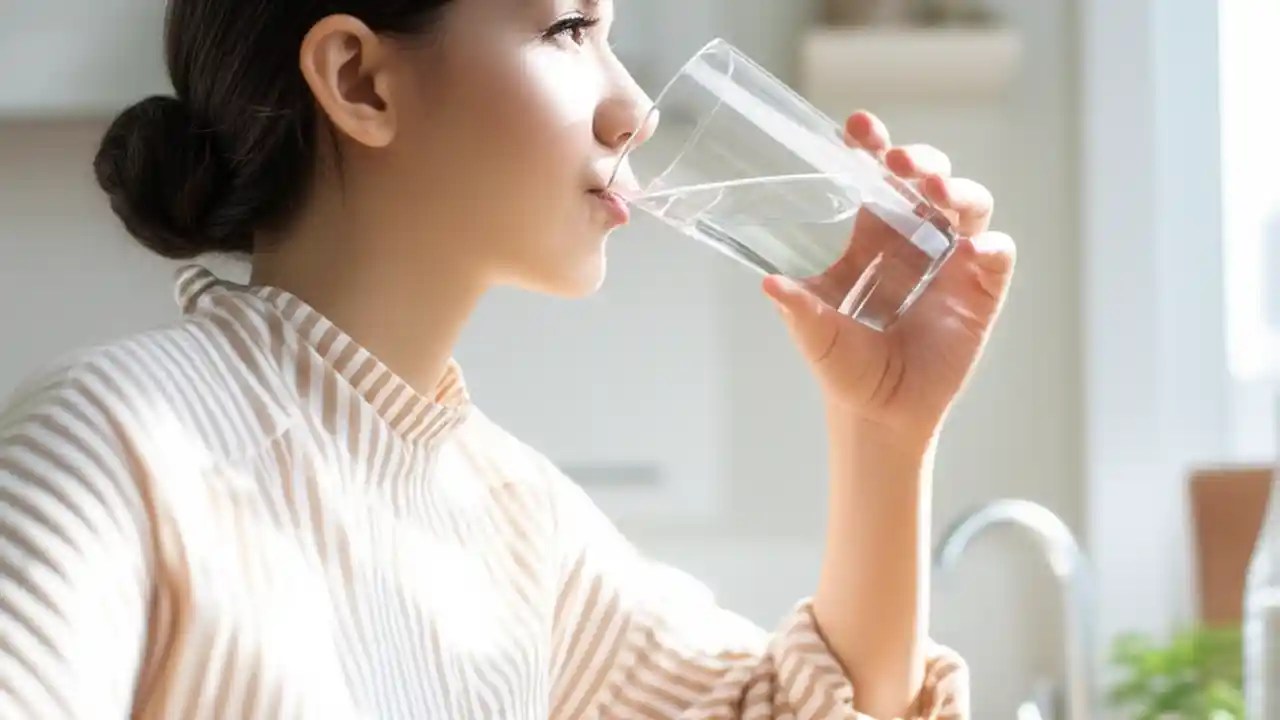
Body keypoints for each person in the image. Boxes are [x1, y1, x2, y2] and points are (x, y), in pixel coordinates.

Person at [0, 0, 1015, 718]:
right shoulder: (114, 445)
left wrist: (885, 432)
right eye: (569, 28)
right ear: (359, 80)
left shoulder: (518, 521)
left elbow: (784, 711)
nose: (635, 109)